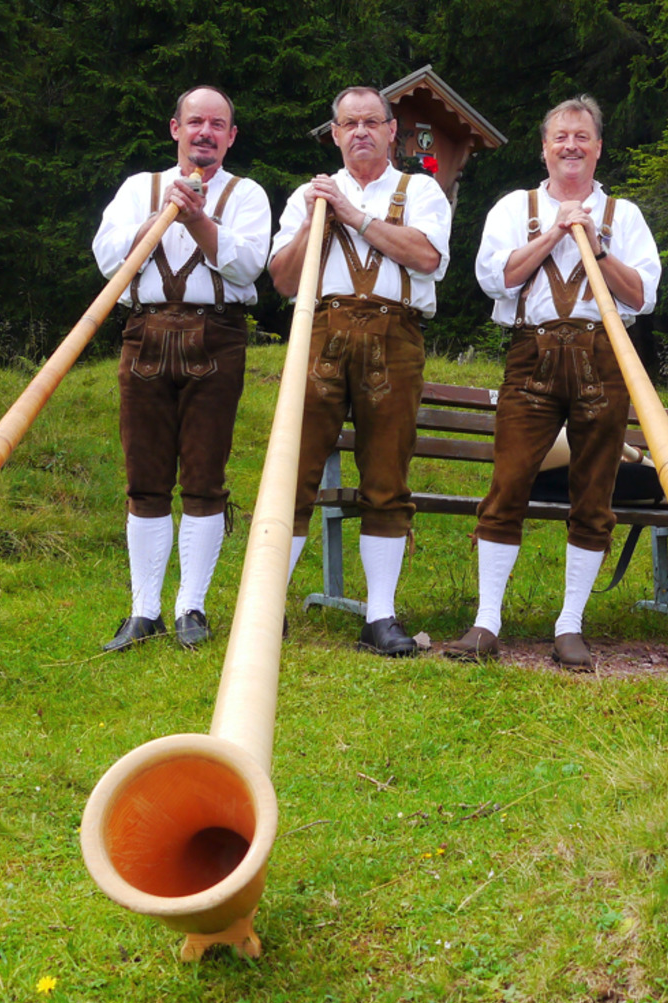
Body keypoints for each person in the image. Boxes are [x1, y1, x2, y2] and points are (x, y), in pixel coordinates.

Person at [442, 95, 661, 672]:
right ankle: (487, 621)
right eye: (560, 137)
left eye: (581, 137)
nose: (570, 146)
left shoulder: (625, 216)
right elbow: (497, 279)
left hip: (602, 357)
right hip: (531, 354)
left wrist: (597, 242)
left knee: (594, 495)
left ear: (597, 148)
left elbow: (643, 296)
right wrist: (554, 233)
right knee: (508, 483)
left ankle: (570, 626)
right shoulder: (516, 207)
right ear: (544, 147)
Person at [269, 85, 453, 656]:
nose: (360, 133)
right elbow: (281, 279)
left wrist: (351, 214)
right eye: (349, 124)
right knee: (290, 472)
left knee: (385, 475)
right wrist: (313, 225)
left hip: (395, 335)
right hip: (319, 331)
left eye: (372, 121)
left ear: (392, 131)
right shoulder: (309, 195)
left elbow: (427, 257)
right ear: (335, 133)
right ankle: (265, 608)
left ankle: (380, 616)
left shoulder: (419, 189)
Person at [91, 85, 273, 651]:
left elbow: (248, 267)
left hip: (216, 334)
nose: (205, 133)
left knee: (204, 474)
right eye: (196, 122)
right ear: (175, 128)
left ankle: (190, 607)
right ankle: (143, 611)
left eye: (218, 125)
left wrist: (198, 221)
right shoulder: (138, 189)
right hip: (144, 332)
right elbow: (106, 256)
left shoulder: (248, 195)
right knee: (144, 476)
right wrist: (163, 211)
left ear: (231, 136)